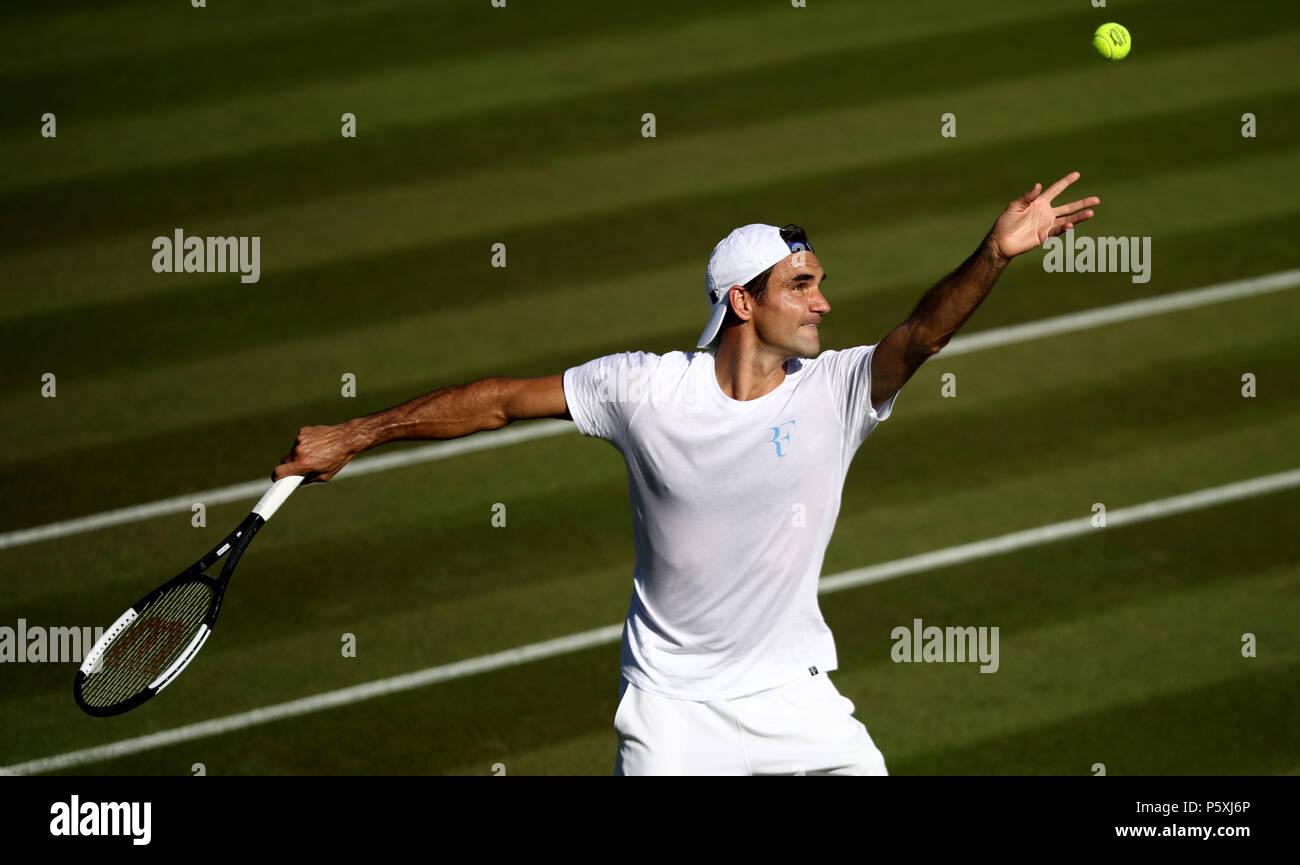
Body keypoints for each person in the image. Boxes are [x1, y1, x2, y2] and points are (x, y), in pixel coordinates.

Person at [273, 172, 1099, 775]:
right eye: (802, 285)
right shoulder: (644, 389)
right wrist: (357, 431)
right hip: (672, 715)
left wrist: (994, 253)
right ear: (743, 303)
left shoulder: (837, 391)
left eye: (821, 286)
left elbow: (922, 333)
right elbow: (494, 402)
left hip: (796, 703)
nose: (824, 303)